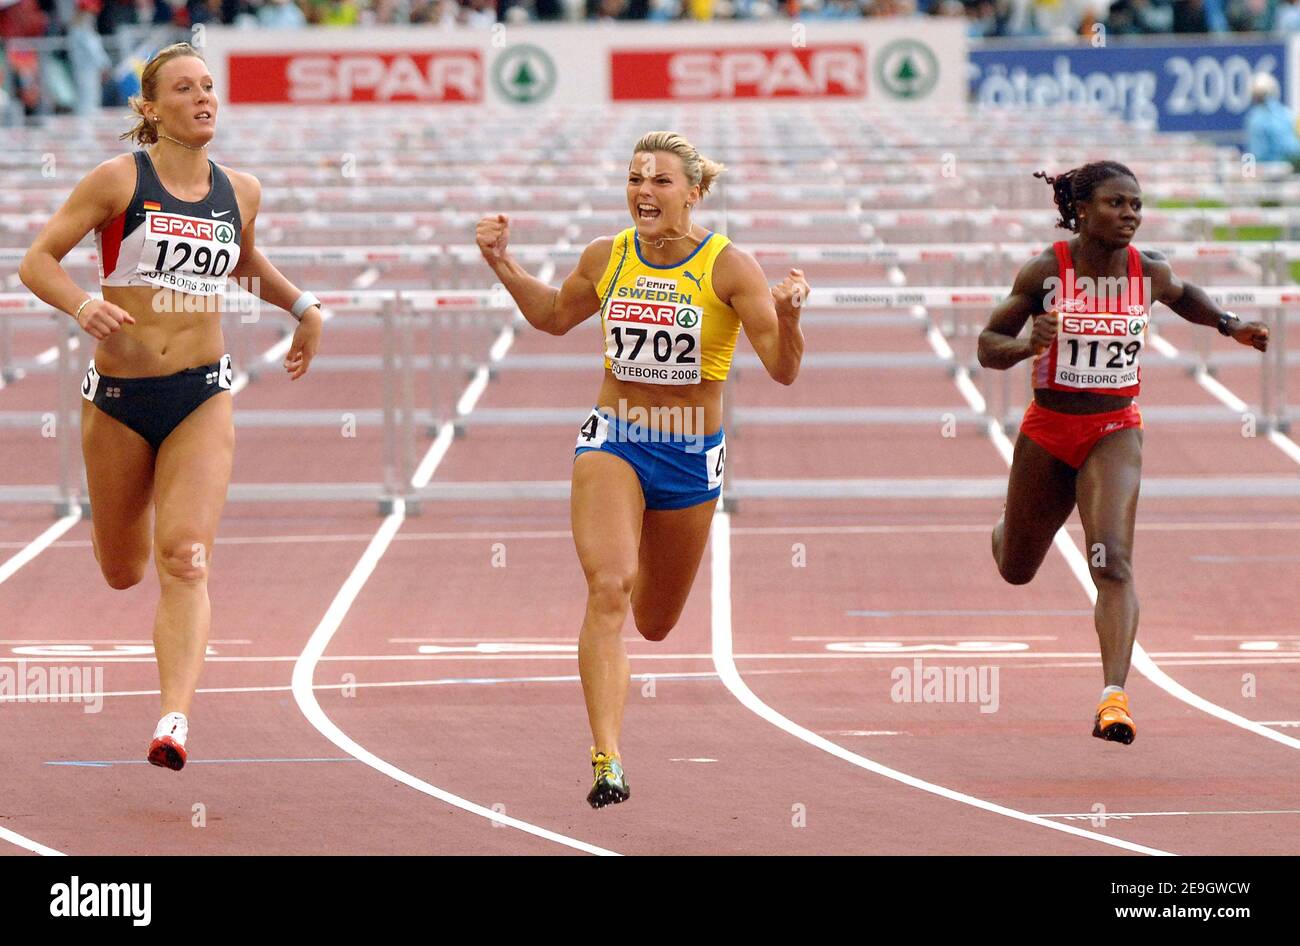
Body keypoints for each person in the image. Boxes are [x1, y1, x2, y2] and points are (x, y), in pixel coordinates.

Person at [477, 131, 807, 807]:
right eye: (634, 180)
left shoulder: (729, 268)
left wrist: (793, 317)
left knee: (655, 622)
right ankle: (608, 760)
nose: (643, 193)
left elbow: (782, 369)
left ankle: (613, 741)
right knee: (608, 587)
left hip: (689, 454)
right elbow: (551, 318)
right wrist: (501, 264)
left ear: (693, 191)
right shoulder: (607, 256)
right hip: (615, 440)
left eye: (659, 181)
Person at [19, 42, 322, 771]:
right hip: (120, 400)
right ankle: (128, 511)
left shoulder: (239, 188)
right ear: (150, 108)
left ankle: (173, 719)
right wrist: (83, 305)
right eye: (184, 89)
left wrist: (303, 307)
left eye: (209, 86)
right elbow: (36, 261)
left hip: (200, 393)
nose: (203, 98)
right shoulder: (117, 180)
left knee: (185, 559)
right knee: (123, 571)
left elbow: (243, 260)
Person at [977, 160, 1268, 745]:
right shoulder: (1046, 271)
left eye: (1136, 204)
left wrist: (1230, 325)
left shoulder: (1148, 272)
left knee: (1111, 561)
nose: (1129, 214)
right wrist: (1024, 344)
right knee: (1016, 568)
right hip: (1048, 429)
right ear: (1081, 211)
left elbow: (1187, 297)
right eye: (1116, 203)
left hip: (1115, 429)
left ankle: (1114, 697)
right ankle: (1014, 525)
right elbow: (987, 346)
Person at [1243, 73, 1300, 167]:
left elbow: (1258, 153)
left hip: (1269, 170)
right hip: (1293, 165)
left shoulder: (1255, 118)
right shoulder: (1287, 113)